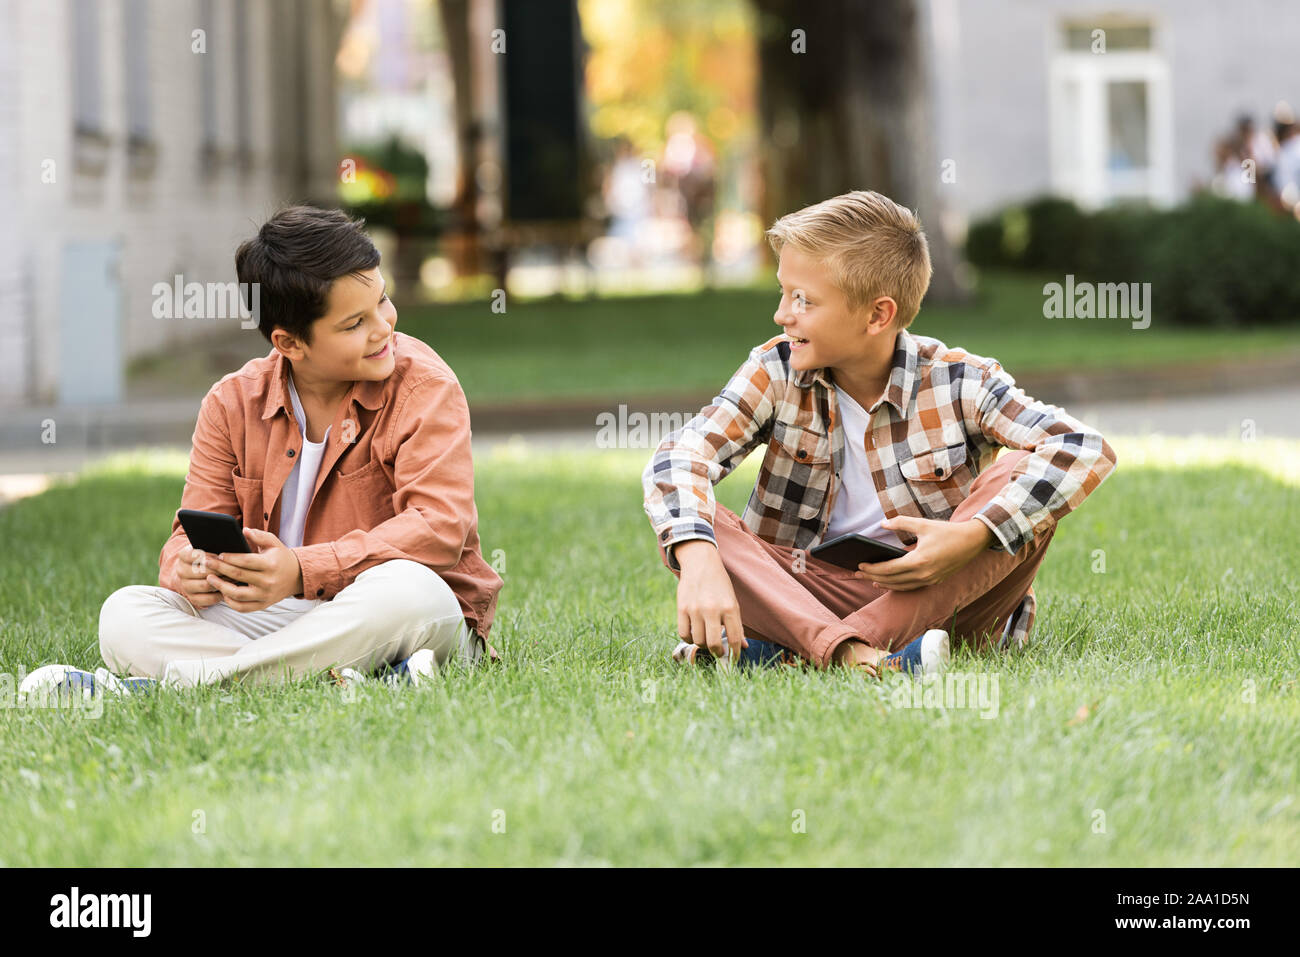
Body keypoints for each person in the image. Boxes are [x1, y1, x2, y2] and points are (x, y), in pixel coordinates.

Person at [24, 206, 502, 696]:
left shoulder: (424, 386)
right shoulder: (231, 403)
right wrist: (190, 568)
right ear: (290, 342)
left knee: (413, 592)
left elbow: (440, 528)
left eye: (383, 301)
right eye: (355, 322)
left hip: (386, 609)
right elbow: (186, 534)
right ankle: (349, 678)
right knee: (124, 614)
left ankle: (170, 687)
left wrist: (301, 569)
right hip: (284, 619)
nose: (383, 328)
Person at [642, 190, 1117, 676]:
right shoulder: (776, 371)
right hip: (805, 593)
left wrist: (970, 538)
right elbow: (676, 460)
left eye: (802, 299)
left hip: (939, 596)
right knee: (693, 520)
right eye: (784, 293)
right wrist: (699, 558)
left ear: (878, 315)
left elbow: (1082, 447)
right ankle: (859, 658)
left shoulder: (959, 382)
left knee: (1024, 479)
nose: (782, 314)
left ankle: (795, 653)